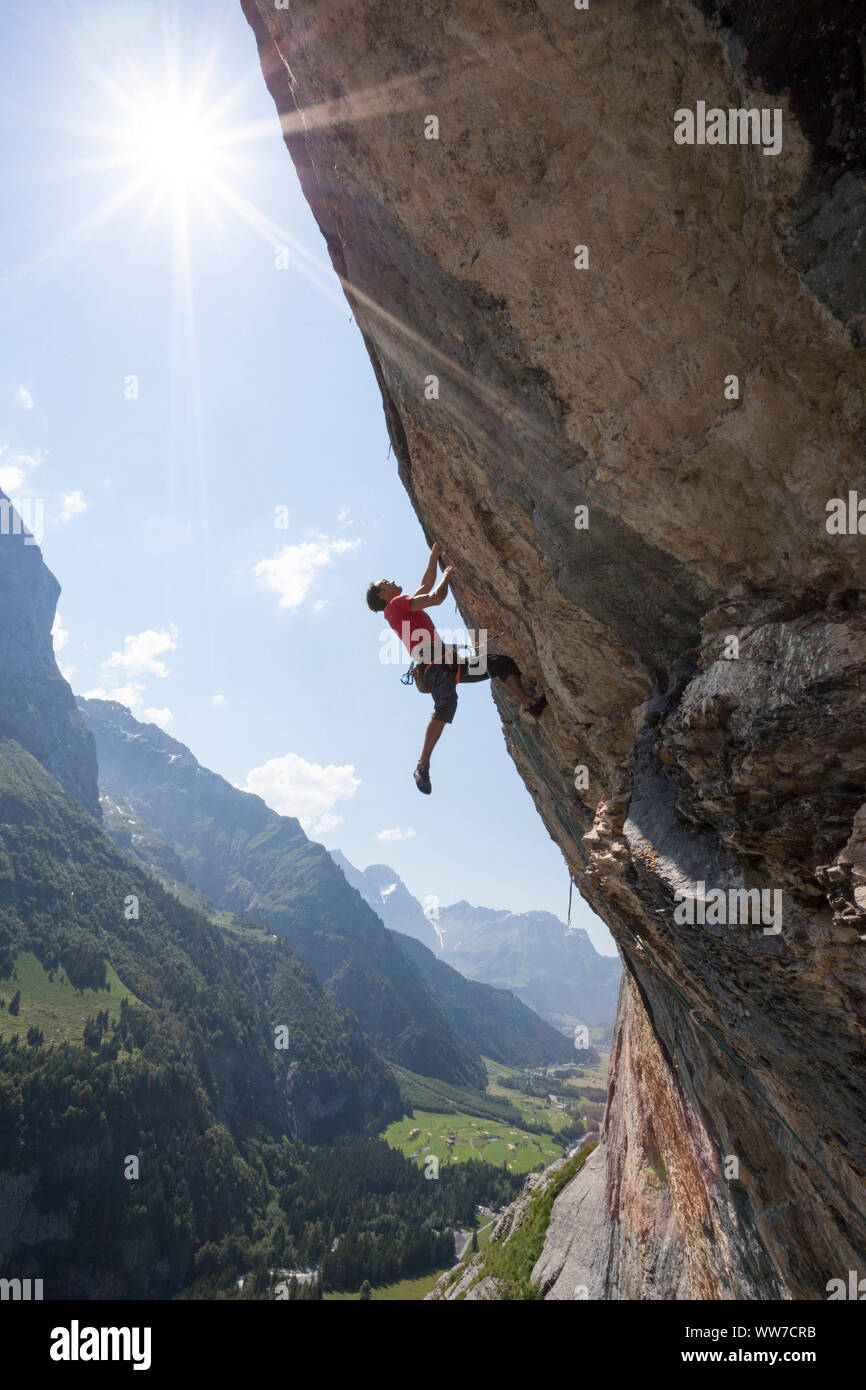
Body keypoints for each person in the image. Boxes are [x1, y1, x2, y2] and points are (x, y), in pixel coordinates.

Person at [366, 542, 547, 794]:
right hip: (436, 664)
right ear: (382, 595)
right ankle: (422, 765)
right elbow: (436, 597)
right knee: (446, 704)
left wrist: (434, 555)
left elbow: (425, 587)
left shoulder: (400, 607)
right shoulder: (395, 605)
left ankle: (529, 702)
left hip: (450, 663)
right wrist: (447, 576)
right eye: (384, 582)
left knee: (500, 664)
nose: (391, 580)